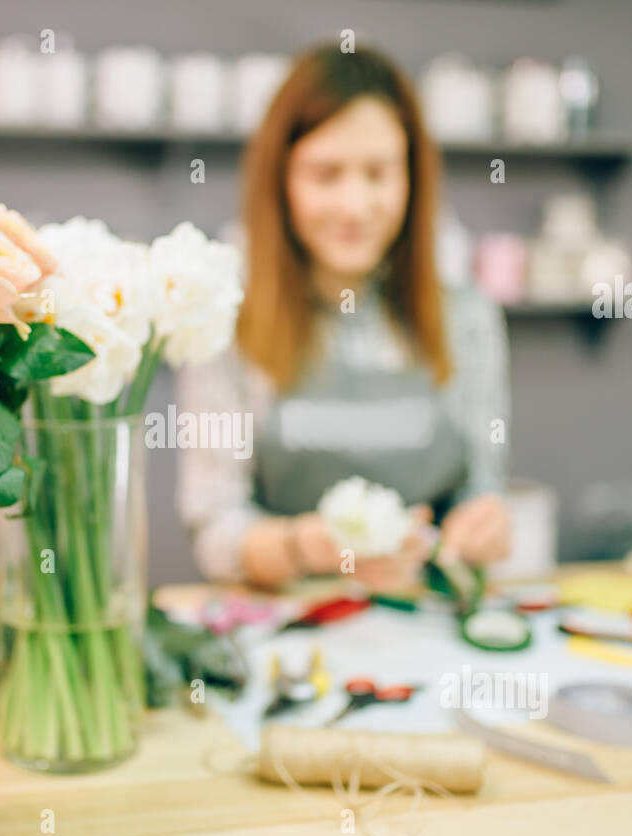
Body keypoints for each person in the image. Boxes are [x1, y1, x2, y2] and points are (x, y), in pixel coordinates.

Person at [177, 43, 513, 591]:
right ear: (282, 180)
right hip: (291, 625)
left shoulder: (466, 315)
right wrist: (303, 548)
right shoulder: (225, 319)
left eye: (378, 173)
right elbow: (216, 528)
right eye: (326, 174)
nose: (354, 206)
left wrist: (483, 521)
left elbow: (480, 481)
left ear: (412, 179)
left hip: (424, 617)